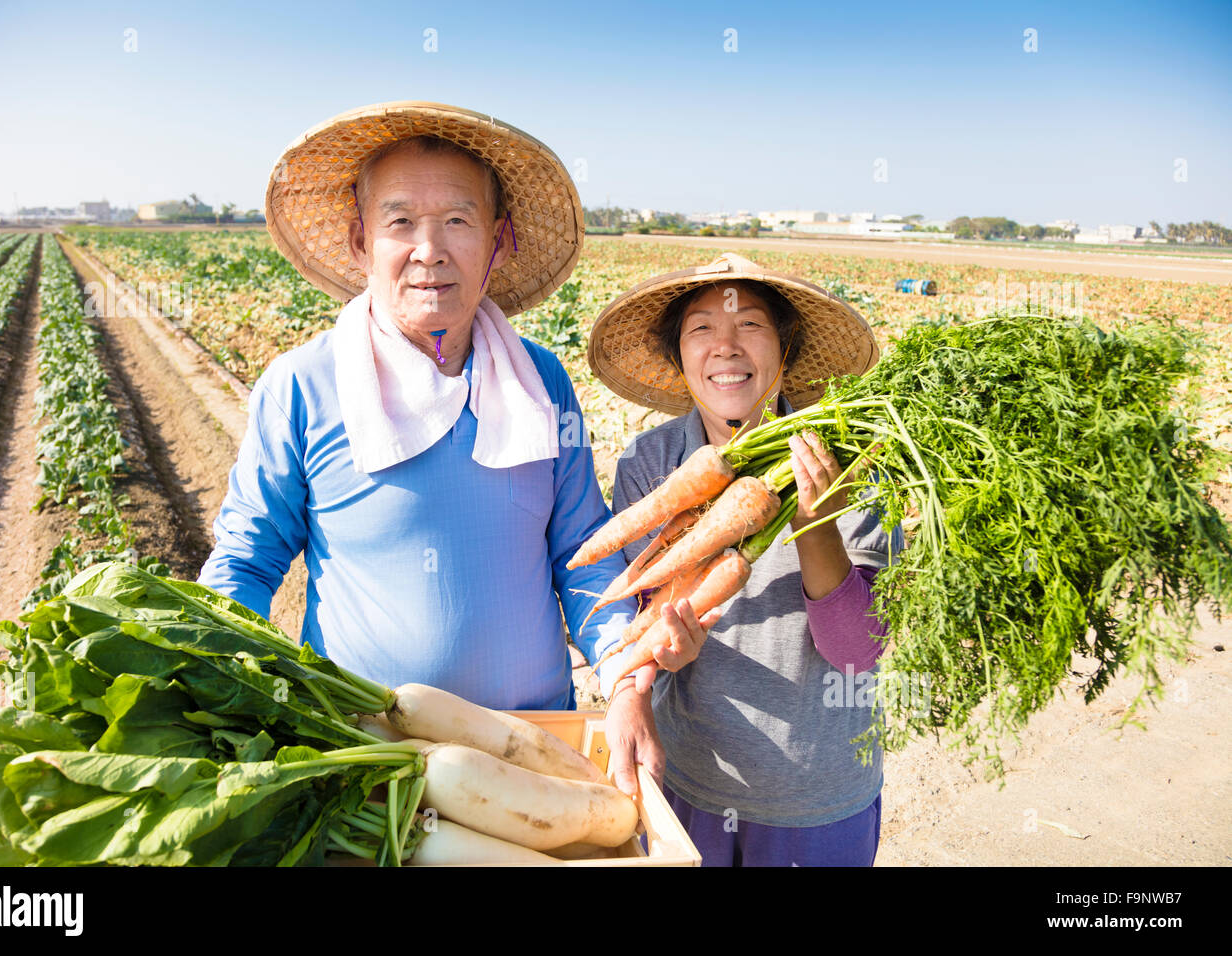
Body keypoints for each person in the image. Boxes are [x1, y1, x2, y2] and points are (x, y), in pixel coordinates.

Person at [198, 102, 711, 715]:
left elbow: (582, 555)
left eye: (458, 220)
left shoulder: (540, 380)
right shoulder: (303, 386)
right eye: (401, 221)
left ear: (499, 241)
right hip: (361, 752)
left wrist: (624, 672)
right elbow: (246, 560)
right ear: (363, 241)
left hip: (533, 748)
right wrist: (207, 674)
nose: (430, 250)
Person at [588, 253, 901, 865]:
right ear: (679, 357)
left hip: (815, 793)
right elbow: (644, 611)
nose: (724, 346)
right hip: (685, 781)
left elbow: (857, 652)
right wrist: (655, 660)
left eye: (750, 325)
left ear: (785, 352)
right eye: (701, 329)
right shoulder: (651, 463)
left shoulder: (854, 463)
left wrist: (815, 524)